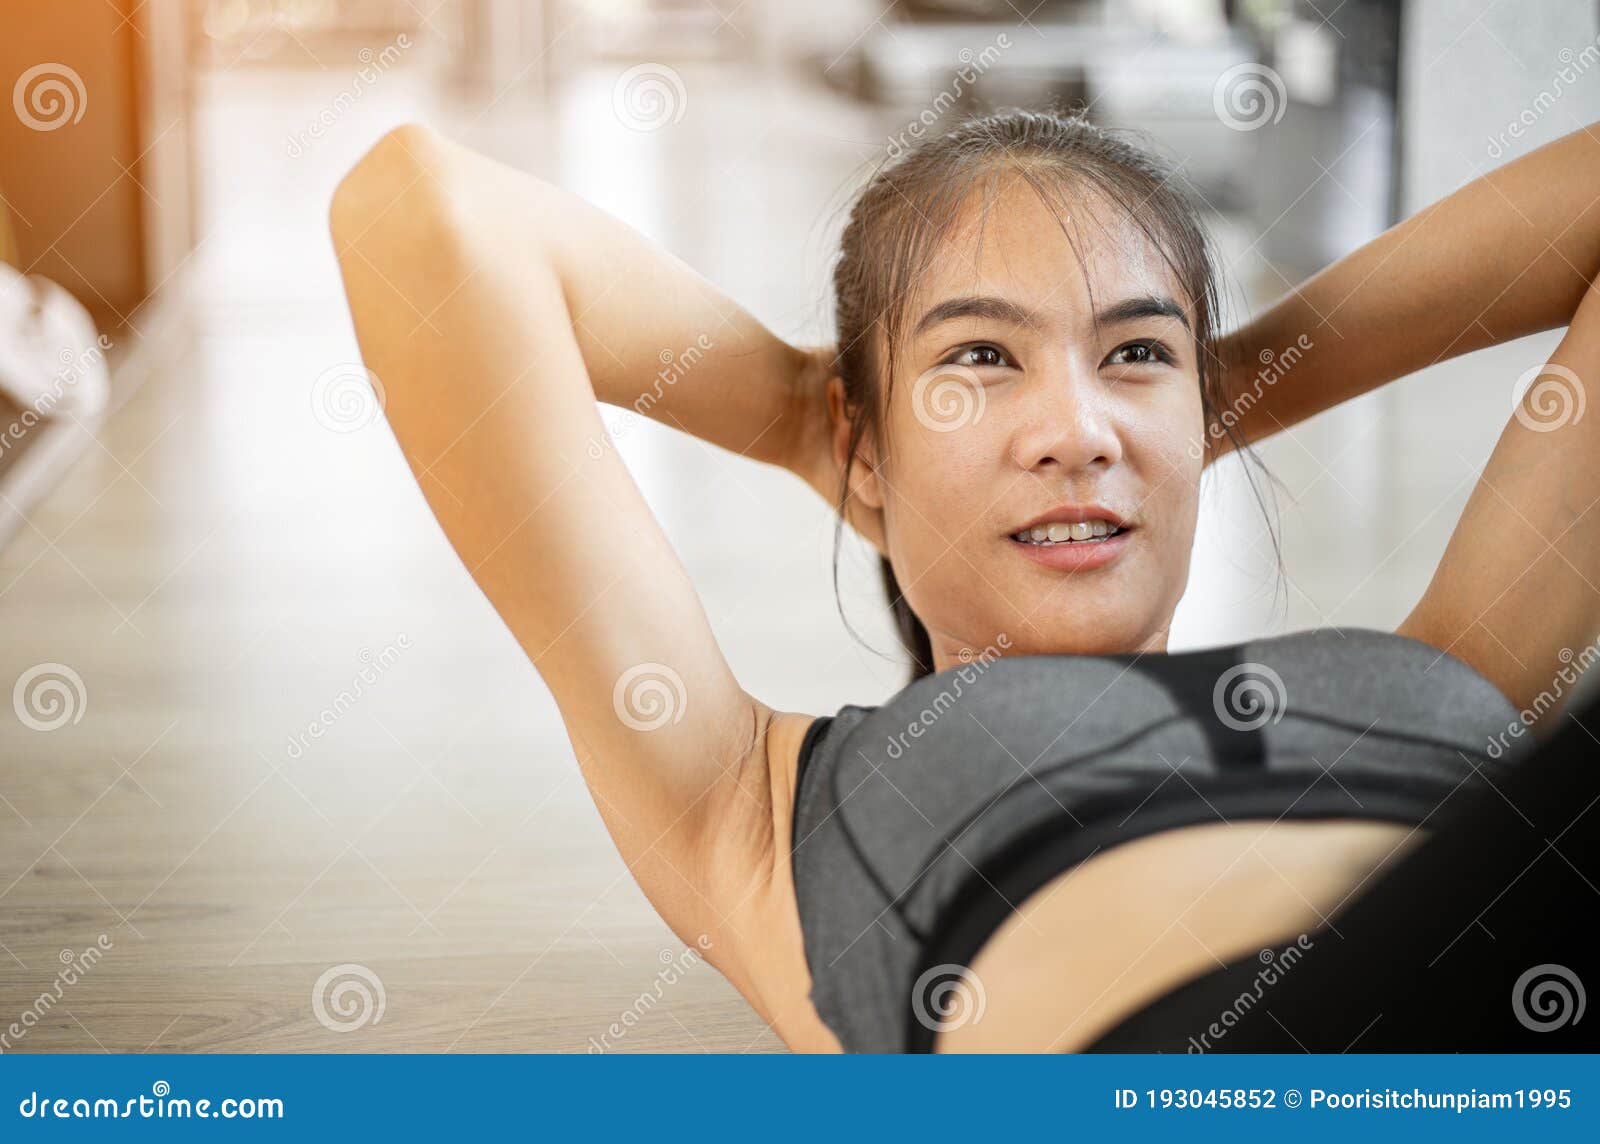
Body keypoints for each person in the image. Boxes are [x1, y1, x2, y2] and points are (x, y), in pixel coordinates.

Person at [329, 108, 1600, 1052]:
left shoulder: (1463, 661)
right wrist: (800, 421)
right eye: (981, 356)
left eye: (1135, 350)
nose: (1075, 429)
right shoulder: (744, 808)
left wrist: (1215, 391)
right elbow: (420, 209)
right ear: (864, 439)